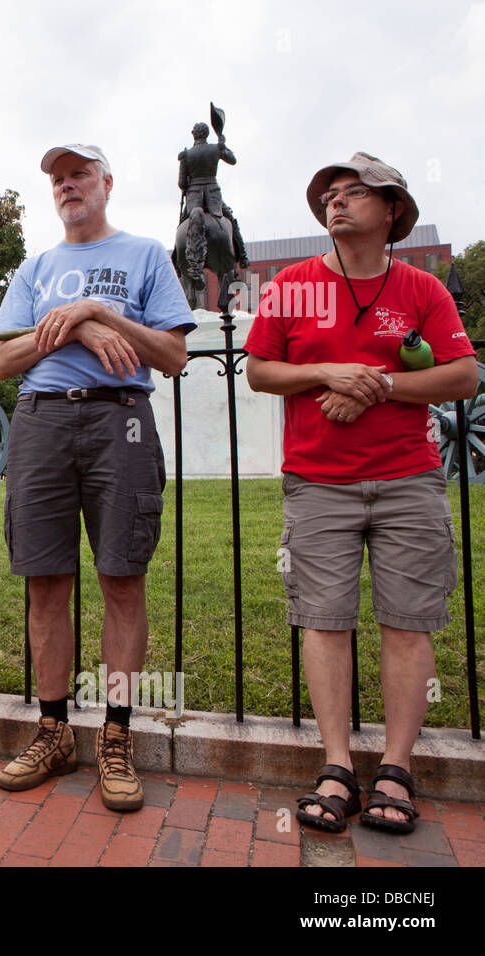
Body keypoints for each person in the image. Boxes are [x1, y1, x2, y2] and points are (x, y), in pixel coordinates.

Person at [245, 153, 477, 835]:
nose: (337, 203)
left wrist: (376, 385)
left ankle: (397, 769)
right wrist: (329, 373)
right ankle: (339, 764)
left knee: (407, 623)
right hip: (319, 481)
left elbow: (463, 375)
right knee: (325, 620)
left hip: (408, 477)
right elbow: (259, 371)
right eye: (331, 196)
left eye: (354, 194)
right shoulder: (290, 285)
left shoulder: (422, 289)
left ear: (392, 212)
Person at [0, 144, 193, 811]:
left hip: (120, 420)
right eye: (57, 178)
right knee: (45, 582)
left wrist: (96, 312)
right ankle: (53, 731)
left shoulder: (145, 255)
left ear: (107, 183)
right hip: (43, 423)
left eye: (79, 174)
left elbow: (172, 355)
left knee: (121, 578)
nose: (68, 185)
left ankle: (116, 735)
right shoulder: (38, 268)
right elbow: (3, 360)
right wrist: (75, 329)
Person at [177, 121, 248, 268]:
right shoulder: (215, 149)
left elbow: (182, 184)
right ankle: (242, 256)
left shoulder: (186, 154)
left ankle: (177, 262)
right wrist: (222, 144)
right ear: (207, 134)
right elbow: (232, 160)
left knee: (181, 226)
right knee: (231, 221)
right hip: (213, 196)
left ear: (193, 135)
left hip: (193, 198)